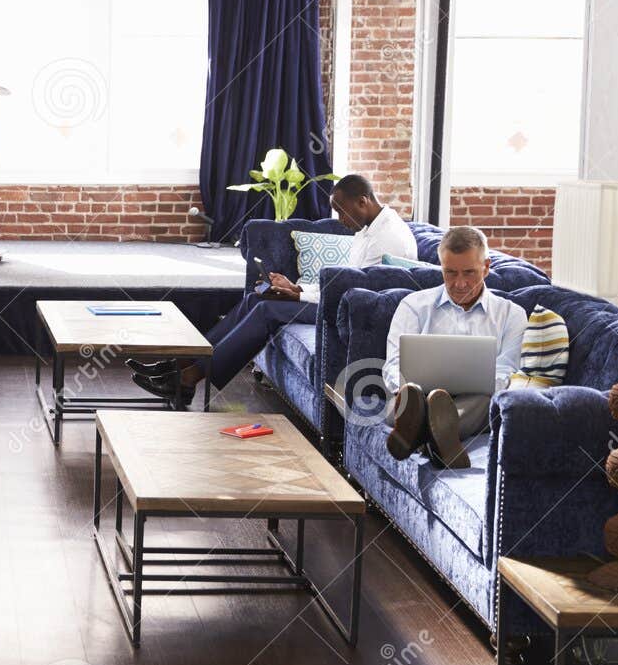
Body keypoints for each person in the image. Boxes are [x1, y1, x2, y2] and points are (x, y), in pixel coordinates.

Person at [129, 174, 418, 403]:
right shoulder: (368, 228)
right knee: (258, 298)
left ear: (363, 202)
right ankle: (183, 362)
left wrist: (298, 294)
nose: (340, 220)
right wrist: (295, 287)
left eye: (342, 212)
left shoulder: (386, 238)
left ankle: (190, 378)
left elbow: (352, 294)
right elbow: (345, 280)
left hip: (353, 314)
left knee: (268, 310)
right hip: (340, 299)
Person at [383, 226, 526, 469]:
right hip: (417, 395)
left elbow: (507, 371)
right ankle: (439, 437)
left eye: (469, 272)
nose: (460, 283)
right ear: (441, 268)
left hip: (475, 401)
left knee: (487, 400)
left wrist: (468, 386)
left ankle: (420, 433)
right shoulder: (414, 306)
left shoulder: (511, 315)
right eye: (450, 273)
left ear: (487, 267)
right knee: (404, 400)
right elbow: (393, 365)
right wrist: (407, 387)